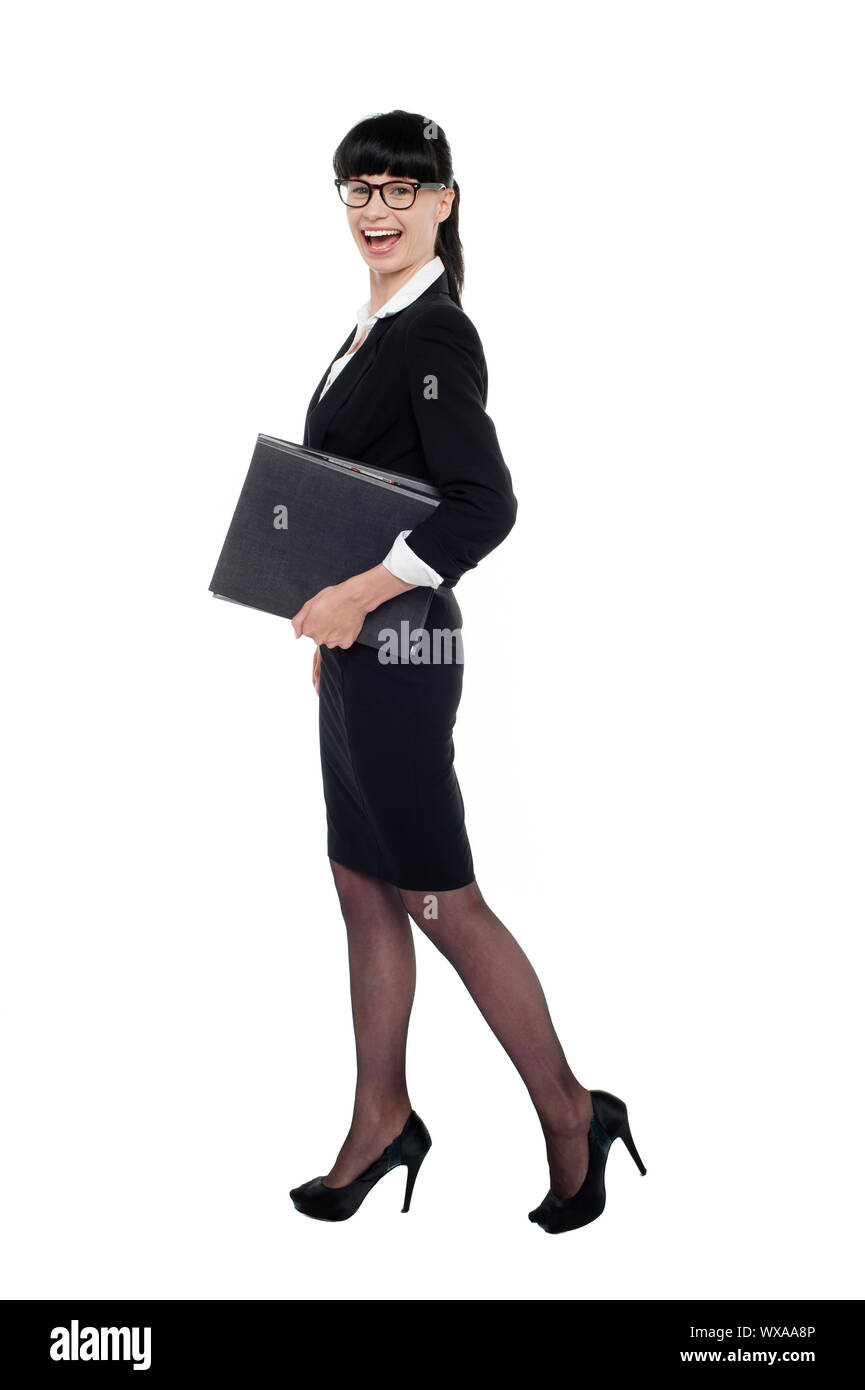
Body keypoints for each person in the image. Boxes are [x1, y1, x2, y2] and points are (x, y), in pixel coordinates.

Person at [288, 110, 645, 1233]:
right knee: (360, 880)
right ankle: (380, 1116)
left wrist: (355, 596)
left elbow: (483, 505)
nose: (377, 210)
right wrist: (329, 627)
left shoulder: (431, 336)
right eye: (358, 190)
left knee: (439, 898)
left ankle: (570, 1108)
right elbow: (367, 487)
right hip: (361, 658)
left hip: (400, 652)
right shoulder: (371, 325)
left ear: (445, 200)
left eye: (400, 188)